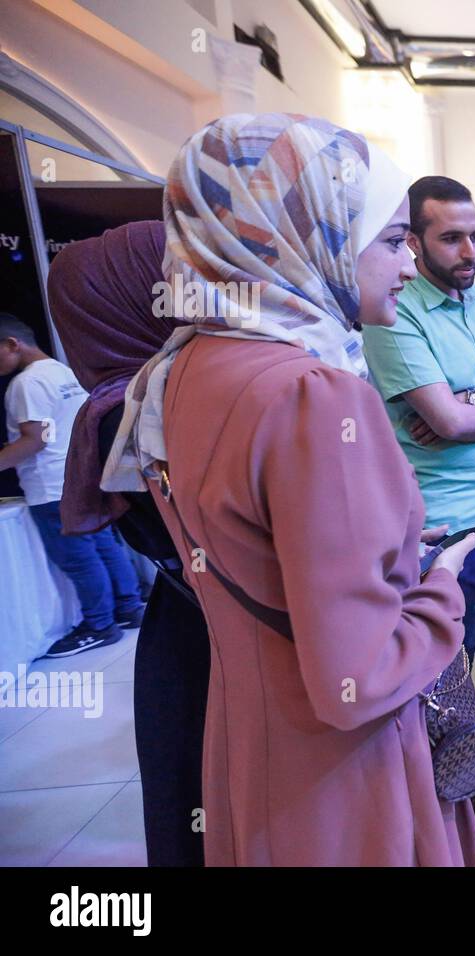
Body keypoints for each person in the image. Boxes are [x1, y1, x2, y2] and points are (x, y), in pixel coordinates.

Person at [103, 113, 475, 866]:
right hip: (345, 766)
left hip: (251, 739)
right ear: (305, 235)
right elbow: (358, 677)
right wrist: (441, 587)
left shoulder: (178, 371)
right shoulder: (314, 393)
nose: (407, 264)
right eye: (387, 239)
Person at [361, 175, 475, 799]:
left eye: (474, 236)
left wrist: (474, 401)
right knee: (445, 656)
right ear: (413, 242)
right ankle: (442, 771)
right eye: (451, 238)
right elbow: (446, 424)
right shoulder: (393, 314)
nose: (468, 251)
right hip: (450, 526)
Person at [46, 220, 210, 867]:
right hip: (207, 641)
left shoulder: (135, 398)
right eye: (172, 279)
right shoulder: (138, 411)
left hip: (192, 629)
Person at [0, 313, 145, 657]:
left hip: (50, 484)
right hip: (80, 475)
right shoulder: (64, 371)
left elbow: (34, 440)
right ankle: (128, 606)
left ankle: (99, 625)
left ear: (11, 345)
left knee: (80, 558)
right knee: (104, 545)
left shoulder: (26, 384)